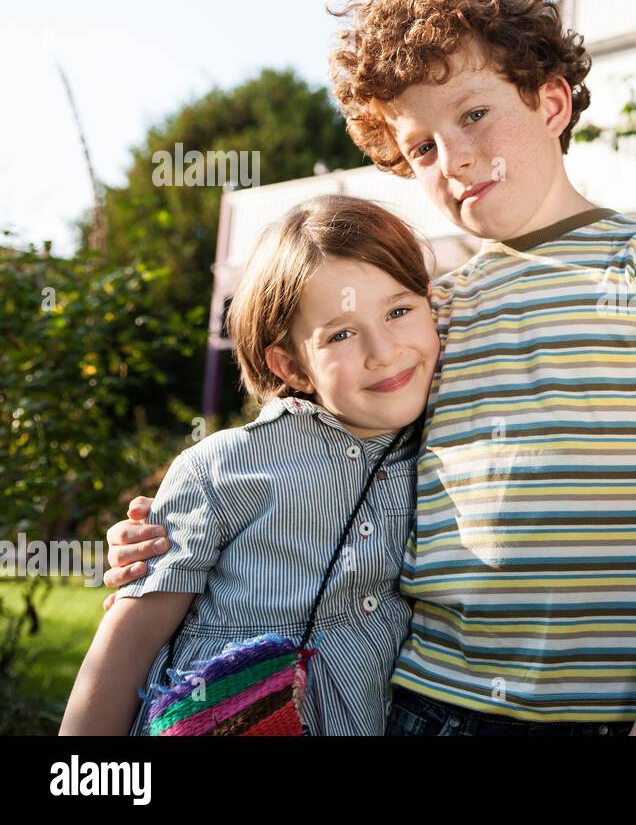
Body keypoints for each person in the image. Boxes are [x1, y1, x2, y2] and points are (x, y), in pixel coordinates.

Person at [103, 0, 636, 736]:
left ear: (550, 102)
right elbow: (322, 460)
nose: (455, 160)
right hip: (430, 705)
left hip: (607, 713)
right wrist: (165, 536)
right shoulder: (429, 313)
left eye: (473, 114)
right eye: (420, 148)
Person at [62, 195, 439, 735]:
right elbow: (131, 639)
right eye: (340, 334)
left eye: (399, 311)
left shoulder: (447, 442)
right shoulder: (224, 467)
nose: (383, 350)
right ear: (293, 367)